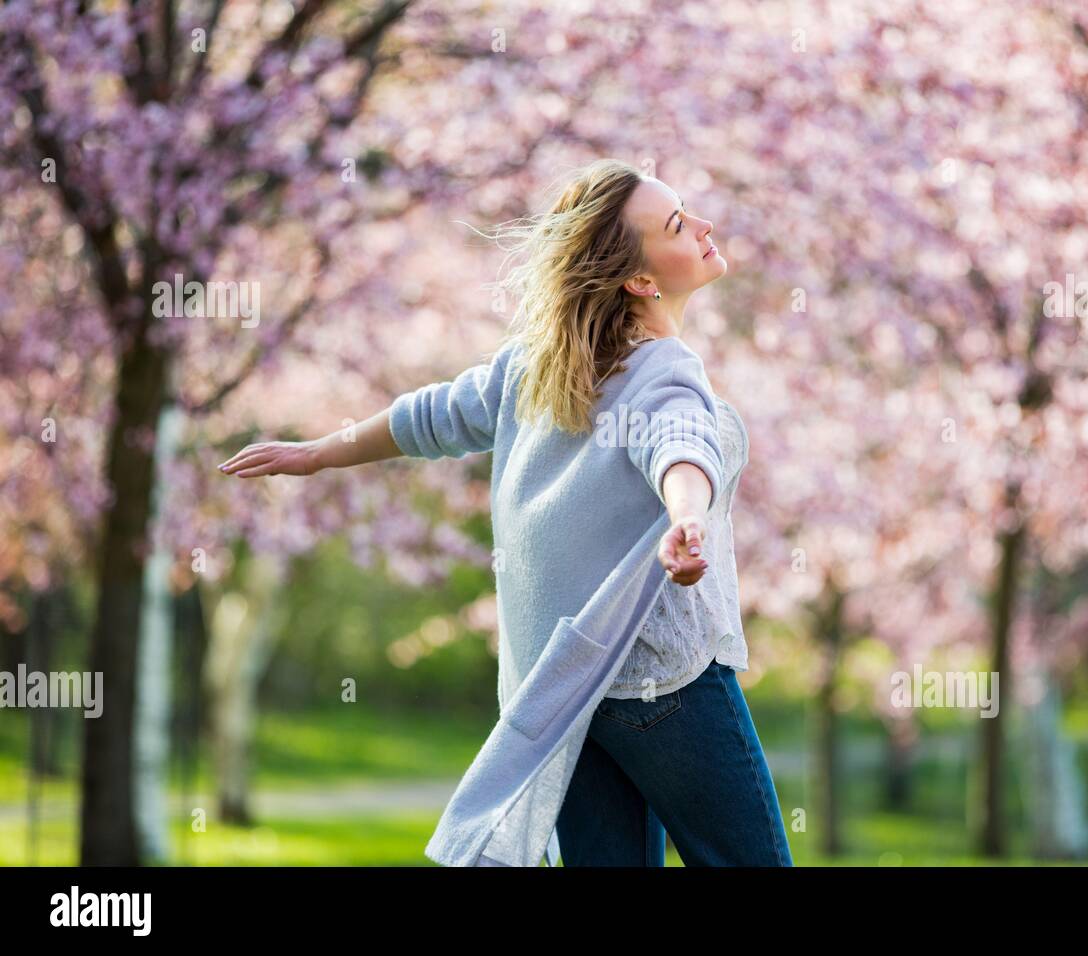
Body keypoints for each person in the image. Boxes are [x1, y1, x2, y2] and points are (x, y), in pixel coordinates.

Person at [218, 158, 793, 866]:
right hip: (659, 680)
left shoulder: (538, 366)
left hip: (568, 691)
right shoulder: (659, 368)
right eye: (677, 224)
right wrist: (687, 517)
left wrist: (321, 453)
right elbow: (681, 442)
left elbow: (435, 417)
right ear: (640, 280)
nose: (702, 225)